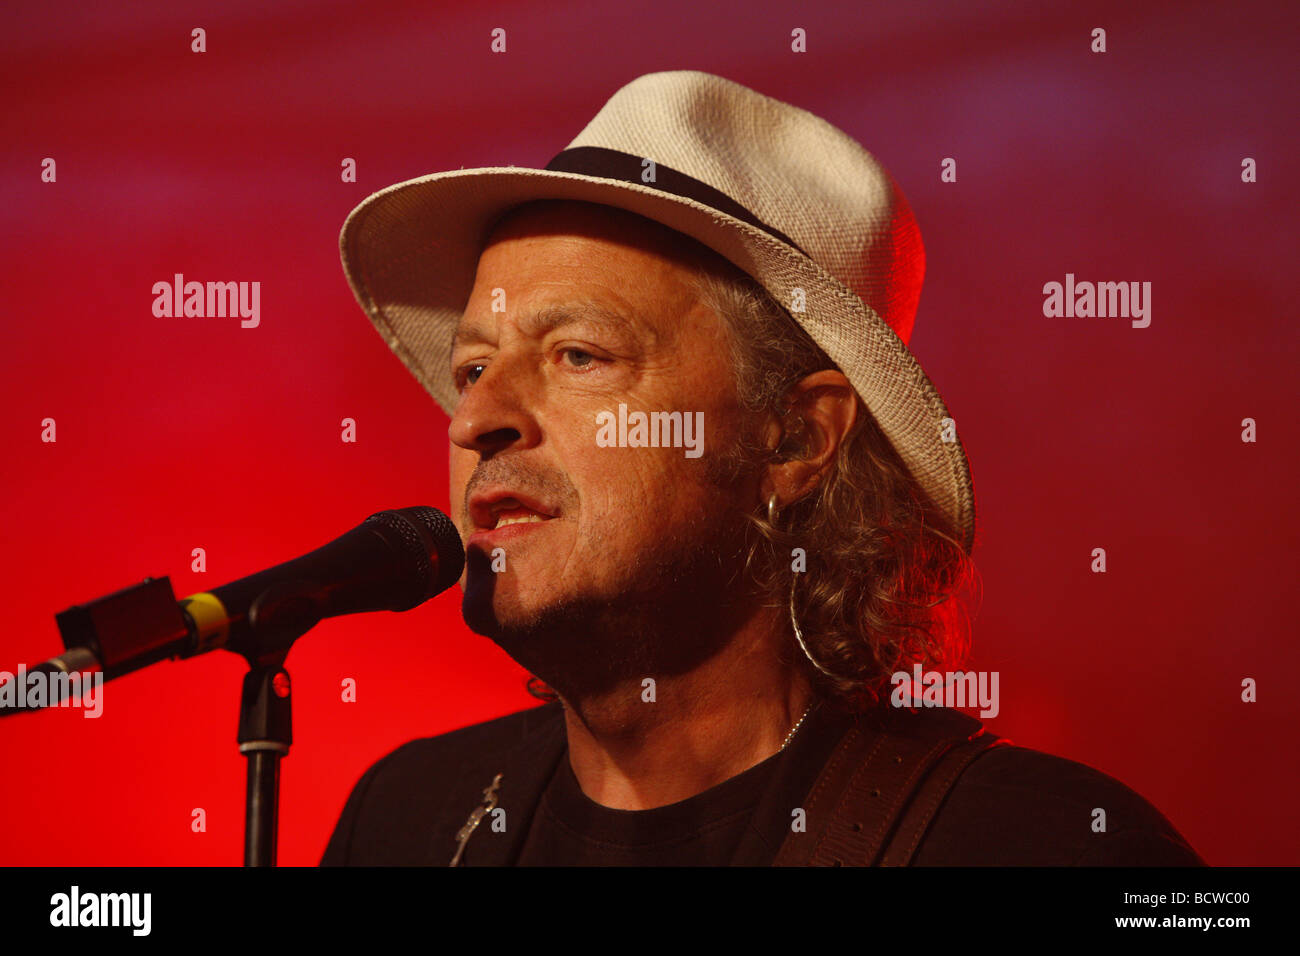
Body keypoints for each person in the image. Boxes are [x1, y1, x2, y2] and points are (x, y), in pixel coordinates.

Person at [321, 70, 1202, 866]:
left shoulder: (1049, 849)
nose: (475, 419)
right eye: (472, 369)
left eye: (579, 356)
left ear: (794, 441)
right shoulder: (408, 821)